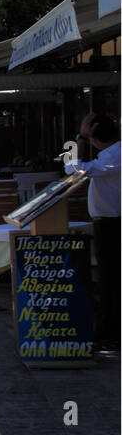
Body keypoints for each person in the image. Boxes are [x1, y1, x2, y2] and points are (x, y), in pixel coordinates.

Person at [65, 113, 120, 353]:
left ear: (95, 139)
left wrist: (77, 140)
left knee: (111, 279)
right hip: (108, 222)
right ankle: (109, 328)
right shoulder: (109, 155)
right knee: (109, 278)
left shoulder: (113, 157)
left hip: (113, 223)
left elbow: (73, 169)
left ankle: (110, 331)